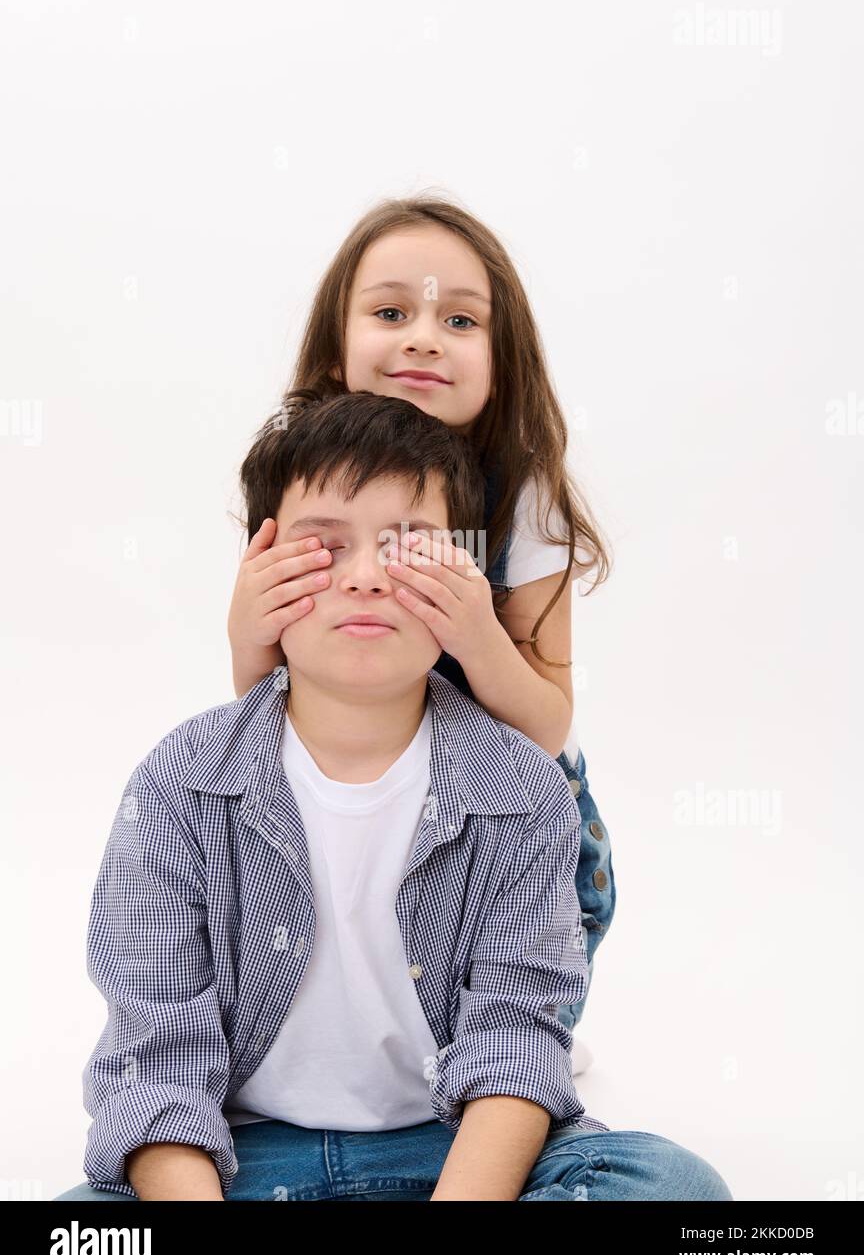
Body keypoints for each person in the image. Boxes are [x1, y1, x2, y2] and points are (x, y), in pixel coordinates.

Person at [54, 392, 731, 1202]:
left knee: (670, 1186)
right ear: (261, 572)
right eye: (324, 548)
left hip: (459, 1155)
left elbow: (517, 1040)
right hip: (245, 1162)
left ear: (467, 574)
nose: (368, 577)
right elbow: (152, 1063)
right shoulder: (179, 783)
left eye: (410, 547)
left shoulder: (520, 790)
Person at [227, 195, 616, 1063]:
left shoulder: (523, 497)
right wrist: (245, 633)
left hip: (498, 796)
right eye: (392, 311)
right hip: (357, 776)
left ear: (500, 358)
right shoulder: (306, 475)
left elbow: (548, 722)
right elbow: (261, 707)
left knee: (504, 917)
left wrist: (476, 635)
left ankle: (514, 1021)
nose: (423, 337)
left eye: (460, 319)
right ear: (336, 348)